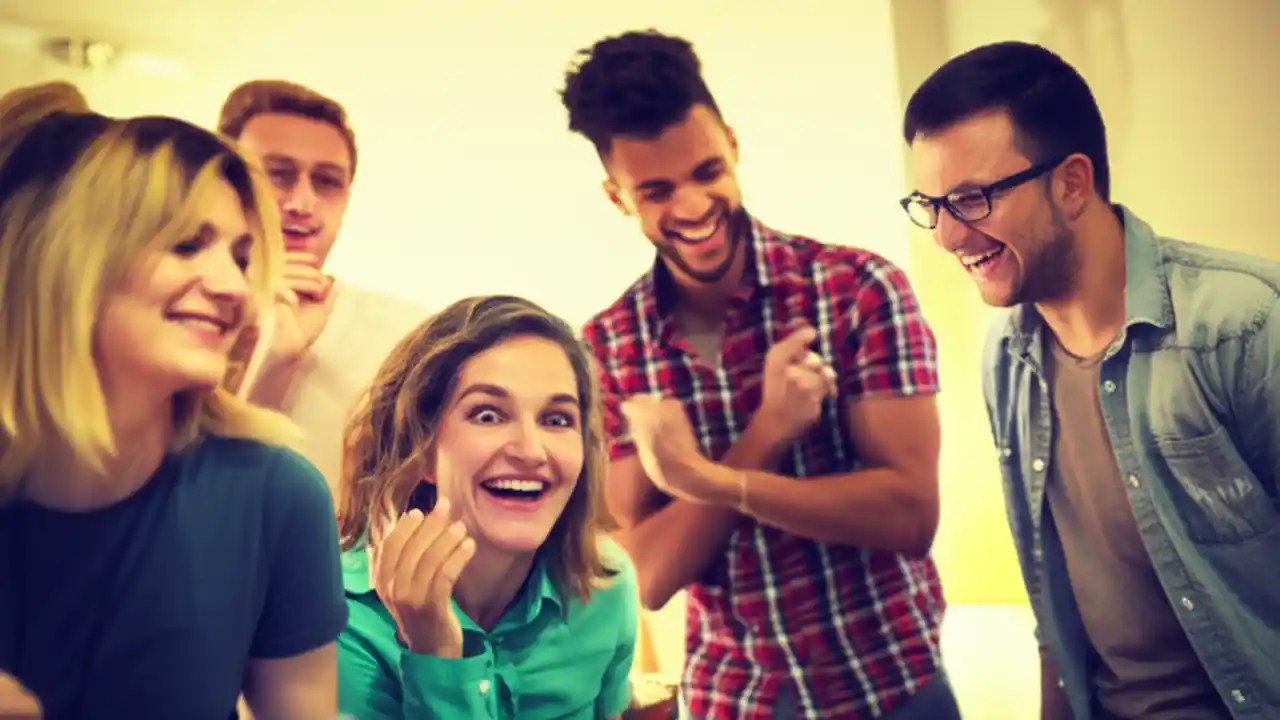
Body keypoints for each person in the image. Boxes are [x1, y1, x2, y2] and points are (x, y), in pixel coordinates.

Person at [561, 30, 960, 719]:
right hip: (736, 699)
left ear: (734, 146)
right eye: (655, 190)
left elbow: (909, 516)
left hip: (895, 687)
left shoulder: (857, 288)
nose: (690, 208)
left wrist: (705, 481)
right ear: (616, 196)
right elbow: (646, 576)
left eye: (706, 173)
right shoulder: (606, 346)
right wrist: (766, 436)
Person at [902, 41, 1280, 720]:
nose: (947, 237)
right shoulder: (1007, 361)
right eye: (932, 203)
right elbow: (1056, 607)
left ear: (1072, 183)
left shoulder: (1242, 326)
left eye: (971, 199)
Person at [0, 82, 347, 719]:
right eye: (187, 244)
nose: (232, 287)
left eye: (242, 258)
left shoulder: (277, 497)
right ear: (69, 261)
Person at [334, 295, 639, 719]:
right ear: (420, 450)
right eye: (489, 415)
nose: (532, 451)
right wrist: (436, 653)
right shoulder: (339, 615)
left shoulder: (606, 584)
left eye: (557, 419)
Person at [217, 79, 426, 492]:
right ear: (225, 183)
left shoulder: (410, 333)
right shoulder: (178, 318)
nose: (302, 203)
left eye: (327, 181)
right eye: (278, 175)